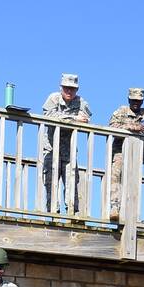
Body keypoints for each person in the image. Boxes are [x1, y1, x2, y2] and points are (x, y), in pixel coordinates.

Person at [40, 74, 92, 214]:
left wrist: (69, 119)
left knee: (71, 181)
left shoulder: (81, 102)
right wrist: (74, 118)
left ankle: (72, 213)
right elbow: (49, 116)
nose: (69, 91)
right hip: (51, 148)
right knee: (50, 182)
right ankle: (53, 213)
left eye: (72, 89)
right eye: (66, 88)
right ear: (61, 87)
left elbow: (85, 120)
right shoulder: (53, 98)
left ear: (77, 89)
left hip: (69, 150)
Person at [106, 87, 144, 220]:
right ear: (129, 99)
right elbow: (112, 126)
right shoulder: (121, 111)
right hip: (120, 152)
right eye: (134, 100)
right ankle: (114, 207)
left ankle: (130, 214)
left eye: (139, 101)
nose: (136, 103)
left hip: (137, 154)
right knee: (115, 178)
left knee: (132, 183)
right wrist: (132, 128)